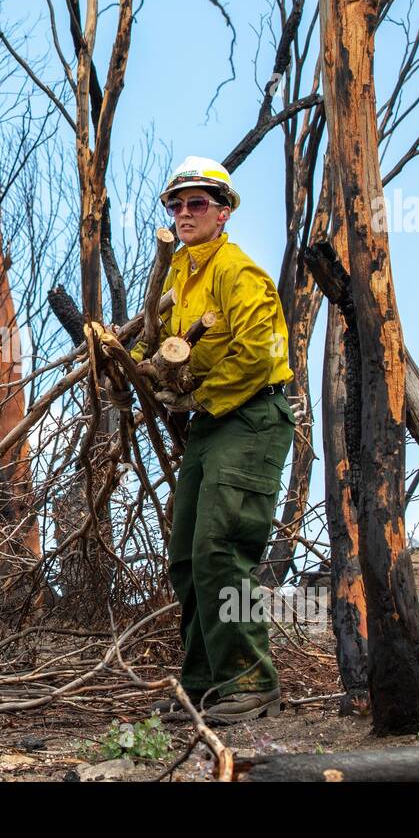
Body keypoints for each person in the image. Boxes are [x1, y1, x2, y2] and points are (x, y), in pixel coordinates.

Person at [130, 155, 295, 723]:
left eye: (196, 203)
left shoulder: (238, 272)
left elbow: (261, 353)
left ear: (224, 212)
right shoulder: (178, 272)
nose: (182, 213)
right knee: (186, 558)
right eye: (174, 204)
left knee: (222, 550)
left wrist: (197, 397)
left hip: (250, 419)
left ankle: (250, 681)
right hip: (207, 426)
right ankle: (204, 685)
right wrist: (131, 367)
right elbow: (157, 343)